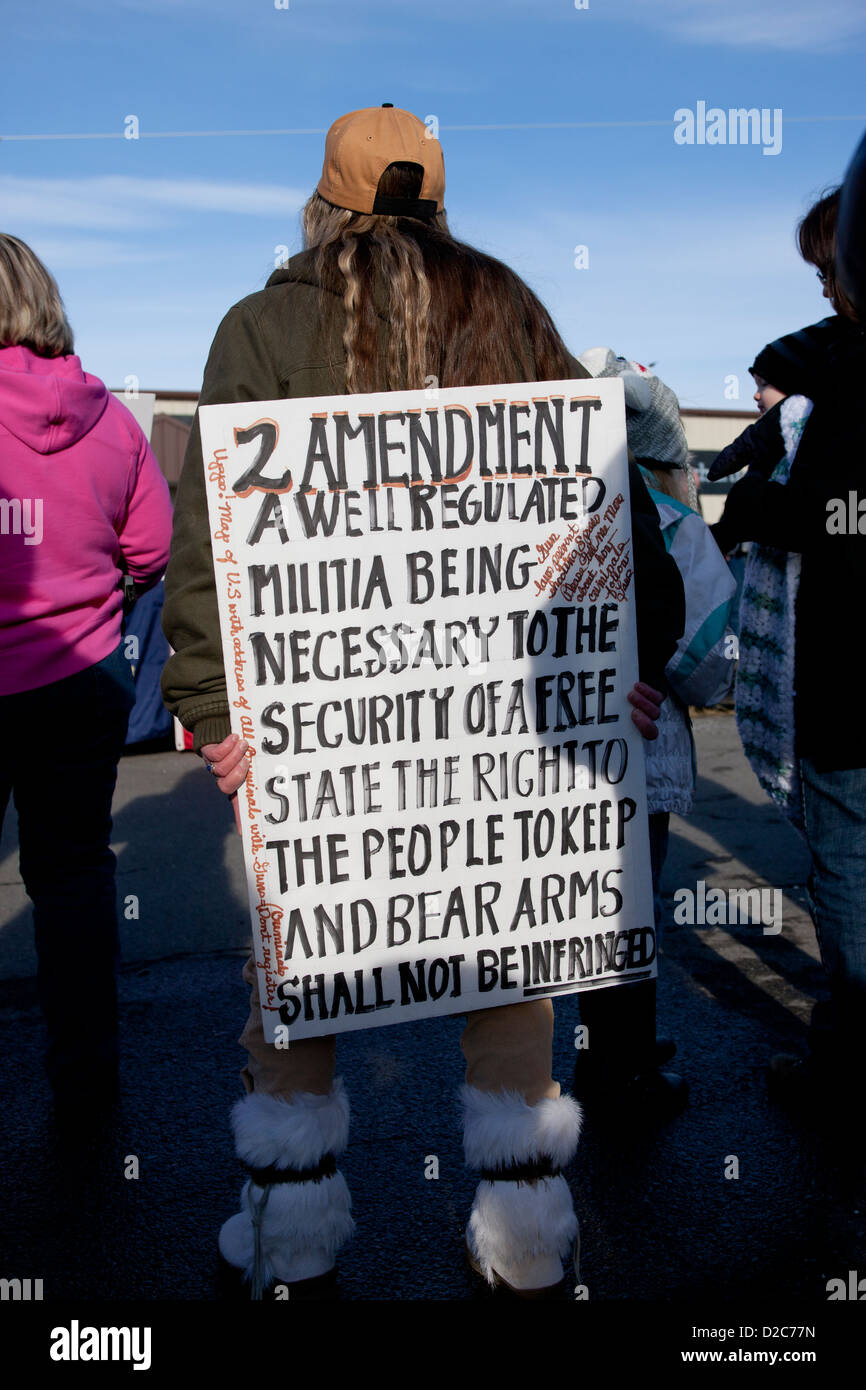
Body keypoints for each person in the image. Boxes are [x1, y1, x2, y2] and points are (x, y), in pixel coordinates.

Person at [161, 104, 684, 1298]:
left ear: (327, 202)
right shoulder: (511, 306)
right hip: (504, 715)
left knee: (304, 959)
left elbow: (205, 539)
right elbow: (605, 497)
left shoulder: (261, 322)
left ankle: (292, 1231)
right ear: (435, 201)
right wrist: (631, 659)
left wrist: (209, 708)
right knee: (510, 961)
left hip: (317, 721)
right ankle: (526, 1236)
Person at [0, 233, 173, 1117]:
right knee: (70, 876)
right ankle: (87, 1079)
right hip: (82, 679)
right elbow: (149, 551)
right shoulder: (114, 421)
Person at [709, 188, 866, 1110]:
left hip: (849, 663)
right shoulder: (836, 363)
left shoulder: (853, 377)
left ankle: (845, 1069)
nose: (826, 285)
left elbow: (842, 516)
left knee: (846, 864)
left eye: (830, 267)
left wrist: (756, 507)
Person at [572, 351, 736, 1118]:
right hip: (647, 750)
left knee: (591, 903)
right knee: (634, 907)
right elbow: (710, 662)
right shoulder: (671, 520)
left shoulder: (567, 514)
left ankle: (609, 1043)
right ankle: (623, 1067)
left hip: (570, 751)